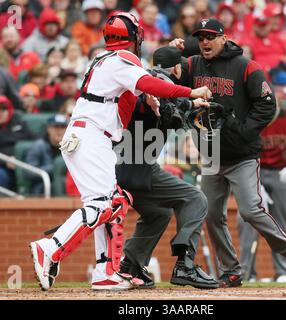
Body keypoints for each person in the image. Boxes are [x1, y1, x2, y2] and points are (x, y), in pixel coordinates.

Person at [29, 12, 211, 292]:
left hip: (89, 136)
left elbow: (136, 91)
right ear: (135, 37)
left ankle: (105, 272)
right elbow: (147, 83)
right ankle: (50, 248)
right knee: (104, 204)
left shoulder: (103, 60)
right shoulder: (124, 59)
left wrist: (153, 99)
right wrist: (190, 93)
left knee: (114, 202)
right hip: (91, 136)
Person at [170, 18, 286, 287]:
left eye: (210, 37)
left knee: (250, 209)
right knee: (209, 213)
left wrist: (243, 130)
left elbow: (267, 105)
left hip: (242, 156)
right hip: (211, 157)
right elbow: (169, 79)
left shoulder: (246, 67)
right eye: (200, 38)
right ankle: (231, 270)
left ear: (224, 38)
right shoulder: (192, 64)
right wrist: (172, 52)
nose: (205, 42)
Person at [116, 46, 218, 289]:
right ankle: (186, 266)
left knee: (159, 214)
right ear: (177, 68)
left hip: (124, 166)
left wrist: (191, 106)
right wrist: (195, 107)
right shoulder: (157, 83)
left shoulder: (146, 80)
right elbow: (171, 114)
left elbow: (168, 108)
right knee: (196, 199)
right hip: (137, 166)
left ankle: (130, 265)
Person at [238, 103, 286, 282]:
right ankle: (248, 273)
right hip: (254, 169)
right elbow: (241, 149)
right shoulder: (251, 117)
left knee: (279, 220)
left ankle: (282, 271)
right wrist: (255, 183)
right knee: (246, 220)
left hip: (282, 172)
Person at [24, 114, 67, 195]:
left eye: (62, 127)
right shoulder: (38, 146)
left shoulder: (70, 147)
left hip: (64, 185)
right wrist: (55, 169)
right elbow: (28, 172)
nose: (59, 131)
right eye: (56, 127)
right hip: (43, 187)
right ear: (49, 129)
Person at [0, 95, 33, 190]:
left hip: (22, 163)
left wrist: (18, 157)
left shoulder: (18, 123)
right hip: (3, 167)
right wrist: (5, 161)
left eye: (4, 108)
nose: (1, 112)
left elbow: (33, 140)